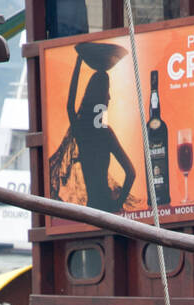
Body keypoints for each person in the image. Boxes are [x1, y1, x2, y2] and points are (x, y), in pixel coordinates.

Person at [52, 54, 136, 214]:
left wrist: (78, 62)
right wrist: (118, 203)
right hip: (108, 208)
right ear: (100, 96)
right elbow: (131, 173)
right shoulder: (105, 134)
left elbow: (70, 105)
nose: (110, 97)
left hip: (91, 209)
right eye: (107, 92)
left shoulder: (82, 132)